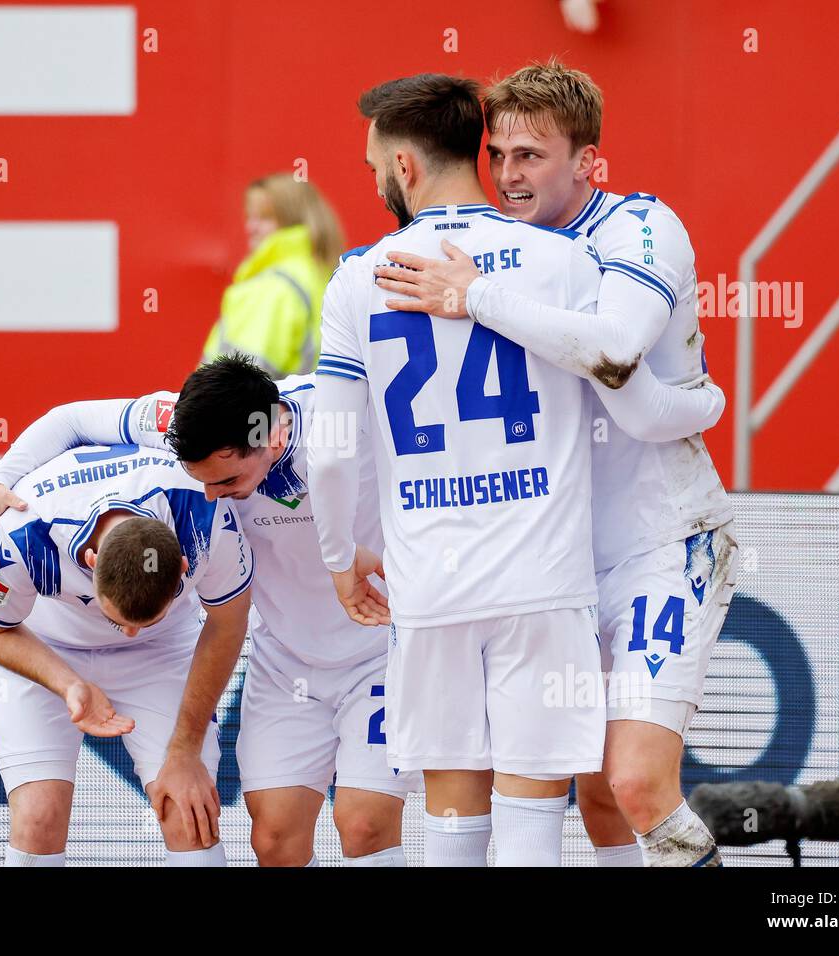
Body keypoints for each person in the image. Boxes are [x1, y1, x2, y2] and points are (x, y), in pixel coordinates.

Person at [368, 59, 735, 867]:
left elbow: (610, 347)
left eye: (530, 155)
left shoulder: (638, 227)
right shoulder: (504, 250)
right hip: (559, 565)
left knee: (636, 782)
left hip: (659, 546)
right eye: (495, 154)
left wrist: (476, 297)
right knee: (597, 793)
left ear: (587, 163)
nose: (507, 174)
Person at [308, 72, 610, 868]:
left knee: (450, 819)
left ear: (403, 166)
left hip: (431, 586)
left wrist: (340, 559)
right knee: (531, 821)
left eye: (374, 163)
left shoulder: (358, 277)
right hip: (542, 578)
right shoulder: (564, 260)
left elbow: (331, 444)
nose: (373, 178)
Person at [0, 357, 419, 867]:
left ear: (272, 438)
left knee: (362, 823)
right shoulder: (186, 429)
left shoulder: (346, 415)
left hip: (376, 650)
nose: (210, 497)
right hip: (287, 663)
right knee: (272, 840)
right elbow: (71, 420)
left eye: (226, 480)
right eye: (200, 480)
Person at [0, 443, 253, 866]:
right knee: (38, 817)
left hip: (162, 652)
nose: (131, 632)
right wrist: (69, 684)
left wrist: (186, 750)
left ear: (185, 565)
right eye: (121, 620)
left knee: (189, 817)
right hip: (45, 642)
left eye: (145, 619)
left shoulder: (206, 516)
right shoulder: (22, 535)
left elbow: (227, 622)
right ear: (90, 560)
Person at [202, 174, 345, 376]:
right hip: (298, 406)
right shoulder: (320, 278)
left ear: (293, 220)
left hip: (248, 407)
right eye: (250, 217)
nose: (251, 227)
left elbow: (239, 384)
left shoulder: (273, 287)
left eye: (265, 218)